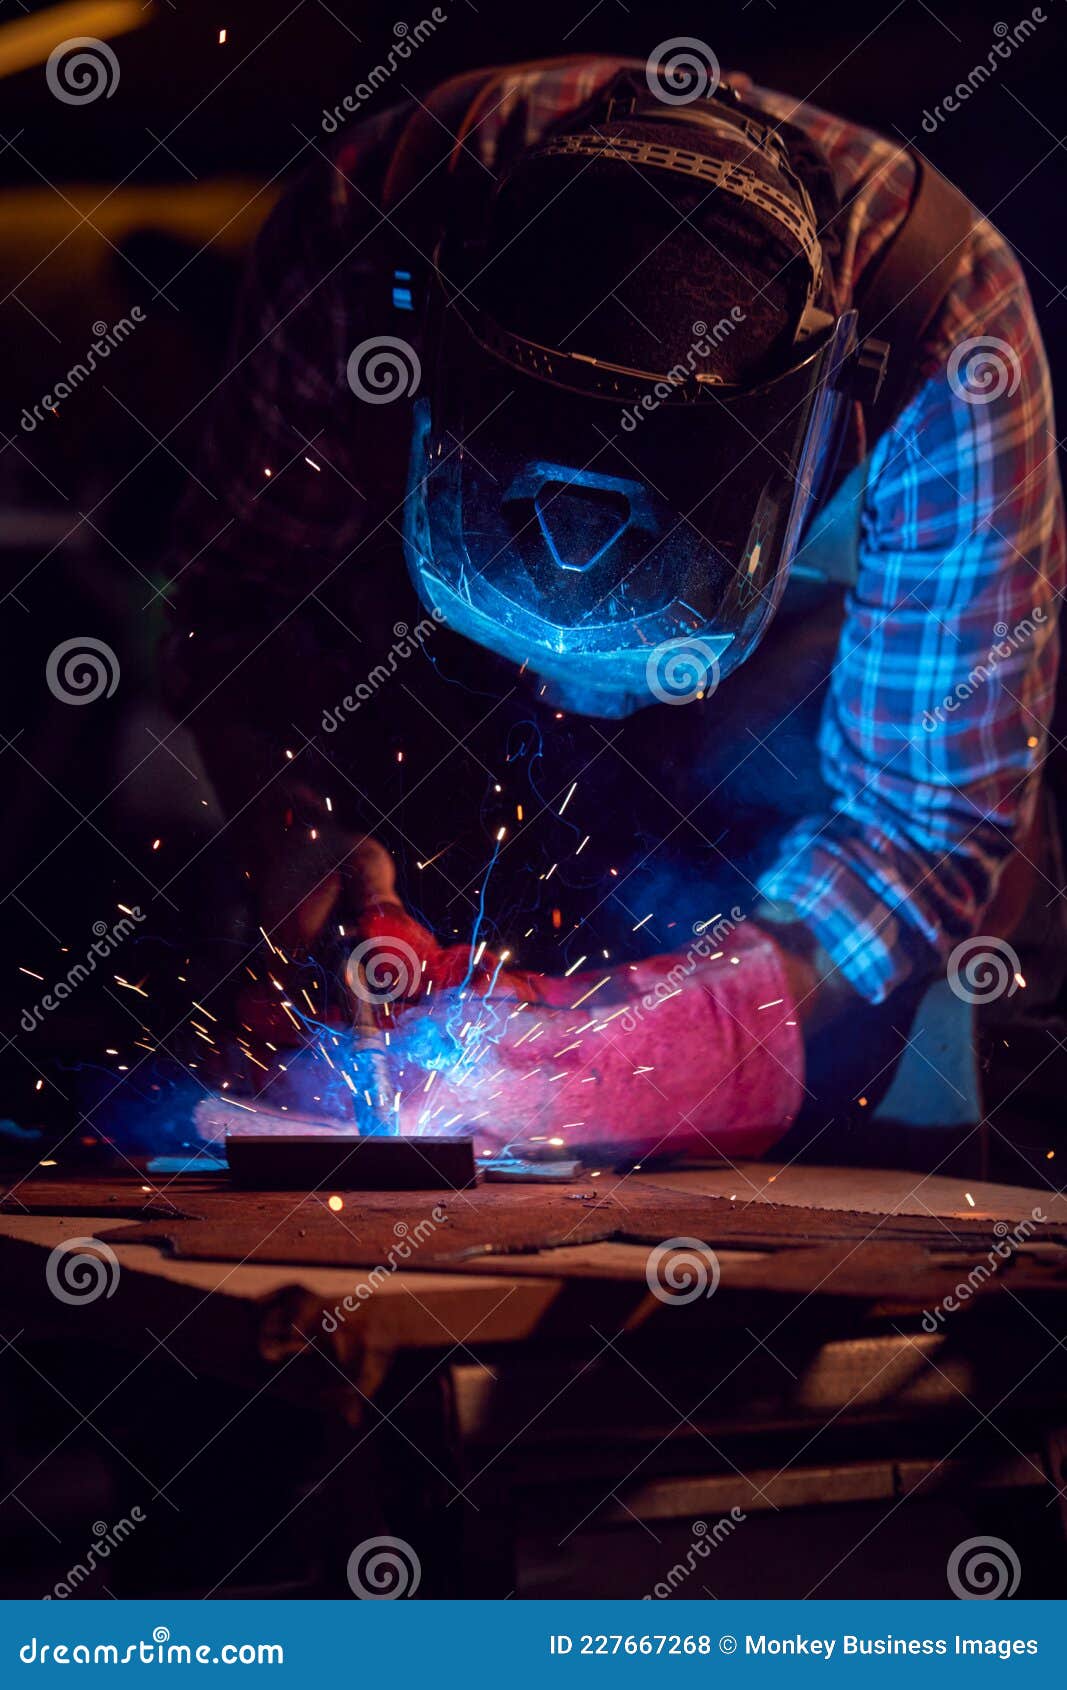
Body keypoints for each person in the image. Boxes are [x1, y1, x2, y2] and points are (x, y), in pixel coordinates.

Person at [163, 54, 1064, 1169]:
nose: (565, 697)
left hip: (772, 816)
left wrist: (667, 1043)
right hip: (425, 745)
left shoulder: (947, 334)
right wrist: (293, 826)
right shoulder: (364, 226)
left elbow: (926, 830)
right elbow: (234, 608)